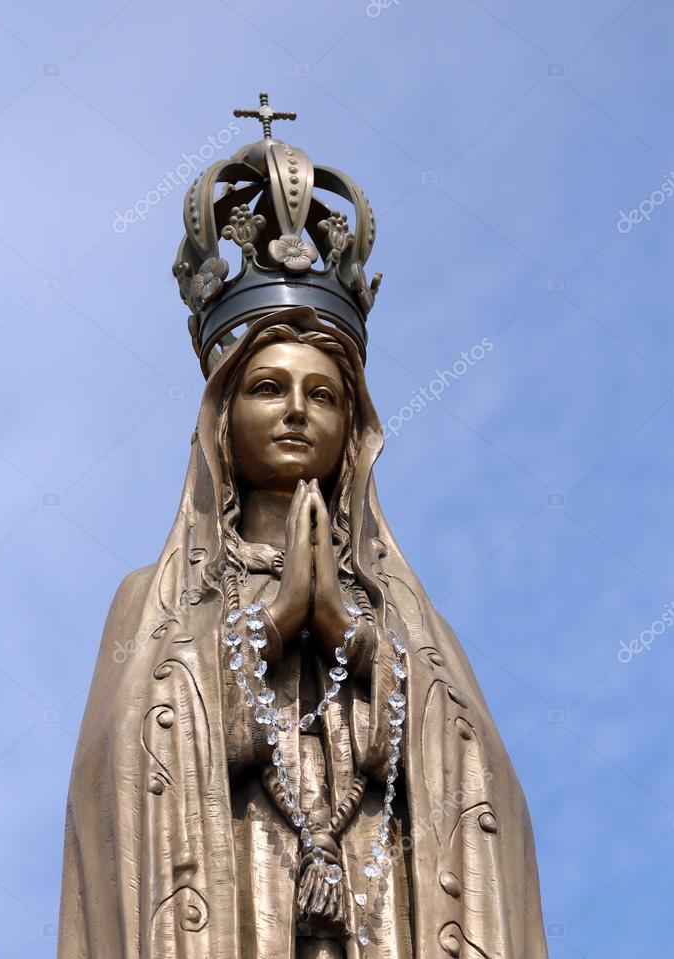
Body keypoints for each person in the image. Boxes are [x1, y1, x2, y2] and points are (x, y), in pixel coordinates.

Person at [59, 307, 547, 959]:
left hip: (375, 884)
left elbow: (481, 776)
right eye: (269, 388)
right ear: (223, 421)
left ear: (351, 428)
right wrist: (279, 620)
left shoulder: (402, 611)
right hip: (234, 879)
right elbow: (120, 764)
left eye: (322, 395)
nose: (296, 410)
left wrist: (347, 630)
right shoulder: (157, 597)